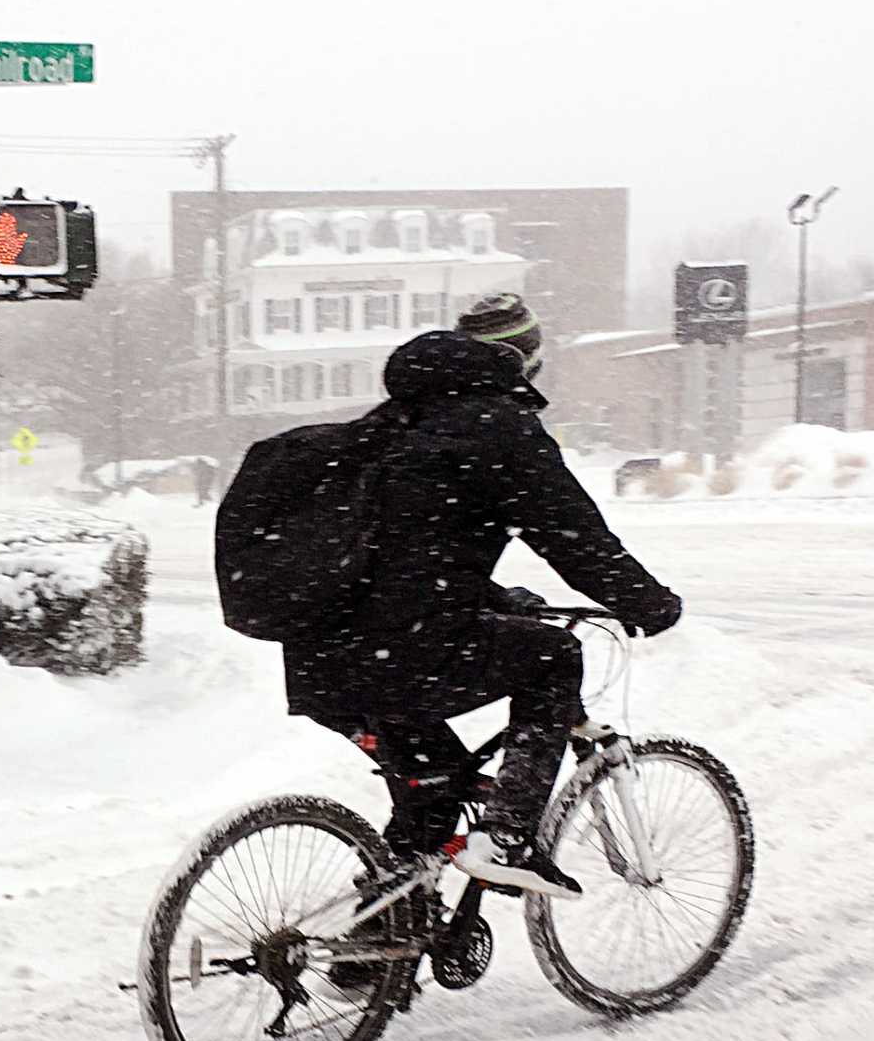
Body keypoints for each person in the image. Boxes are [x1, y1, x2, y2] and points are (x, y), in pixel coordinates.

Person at [283, 292, 682, 899]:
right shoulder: (500, 427)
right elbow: (573, 536)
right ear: (524, 361)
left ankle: (374, 955)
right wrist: (649, 604)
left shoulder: (393, 422)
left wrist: (492, 599)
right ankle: (505, 838)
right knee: (553, 659)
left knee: (434, 795)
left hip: (324, 658)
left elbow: (398, 550)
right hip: (403, 651)